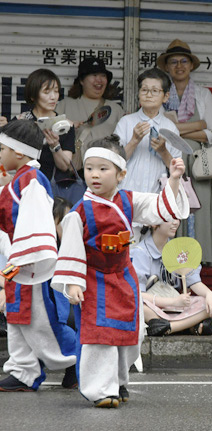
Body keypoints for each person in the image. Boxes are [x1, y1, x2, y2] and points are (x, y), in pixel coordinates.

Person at [52, 135, 189, 408]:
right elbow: (70, 249)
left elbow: (161, 208)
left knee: (131, 334)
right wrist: (74, 283)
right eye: (90, 168)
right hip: (95, 279)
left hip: (124, 277)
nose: (95, 175)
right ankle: (100, 389)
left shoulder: (128, 199)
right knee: (100, 335)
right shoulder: (79, 212)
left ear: (121, 173)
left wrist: (173, 179)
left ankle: (118, 380)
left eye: (103, 169)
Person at [0, 120, 78, 392]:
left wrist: (25, 259)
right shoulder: (20, 179)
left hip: (29, 261)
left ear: (19, 152)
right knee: (17, 318)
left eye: (2, 148)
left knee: (39, 322)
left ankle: (76, 359)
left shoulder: (31, 180)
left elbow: (36, 223)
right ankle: (23, 371)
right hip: (18, 261)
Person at [158, 39, 212, 260]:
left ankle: (194, 271)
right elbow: (157, 130)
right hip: (167, 161)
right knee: (168, 210)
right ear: (166, 67)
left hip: (197, 165)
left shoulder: (203, 95)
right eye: (173, 61)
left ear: (191, 65)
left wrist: (175, 131)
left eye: (184, 61)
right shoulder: (159, 94)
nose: (179, 66)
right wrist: (196, 125)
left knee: (198, 214)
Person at [131, 219, 212, 337]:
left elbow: (194, 282)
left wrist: (209, 294)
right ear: (153, 223)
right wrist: (174, 301)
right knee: (138, 306)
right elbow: (138, 293)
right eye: (169, 219)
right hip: (154, 306)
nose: (176, 223)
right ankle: (188, 325)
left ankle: (169, 327)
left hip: (177, 307)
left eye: (177, 218)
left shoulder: (178, 250)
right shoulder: (141, 252)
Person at [114, 68, 181, 194]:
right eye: (144, 90)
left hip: (156, 195)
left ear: (166, 96)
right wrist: (134, 141)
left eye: (155, 91)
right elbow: (114, 162)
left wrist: (163, 151)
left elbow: (176, 169)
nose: (148, 95)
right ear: (138, 93)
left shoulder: (170, 127)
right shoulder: (126, 122)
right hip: (126, 192)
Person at [13, 69, 79, 196]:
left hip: (54, 191)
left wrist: (55, 146)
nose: (53, 97)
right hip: (24, 188)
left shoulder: (65, 125)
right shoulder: (19, 123)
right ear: (33, 96)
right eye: (46, 92)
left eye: (56, 91)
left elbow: (65, 166)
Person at [57, 57, 124, 163]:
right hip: (75, 171)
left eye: (103, 75)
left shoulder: (116, 109)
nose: (99, 80)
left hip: (106, 169)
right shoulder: (64, 105)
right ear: (81, 81)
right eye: (94, 75)